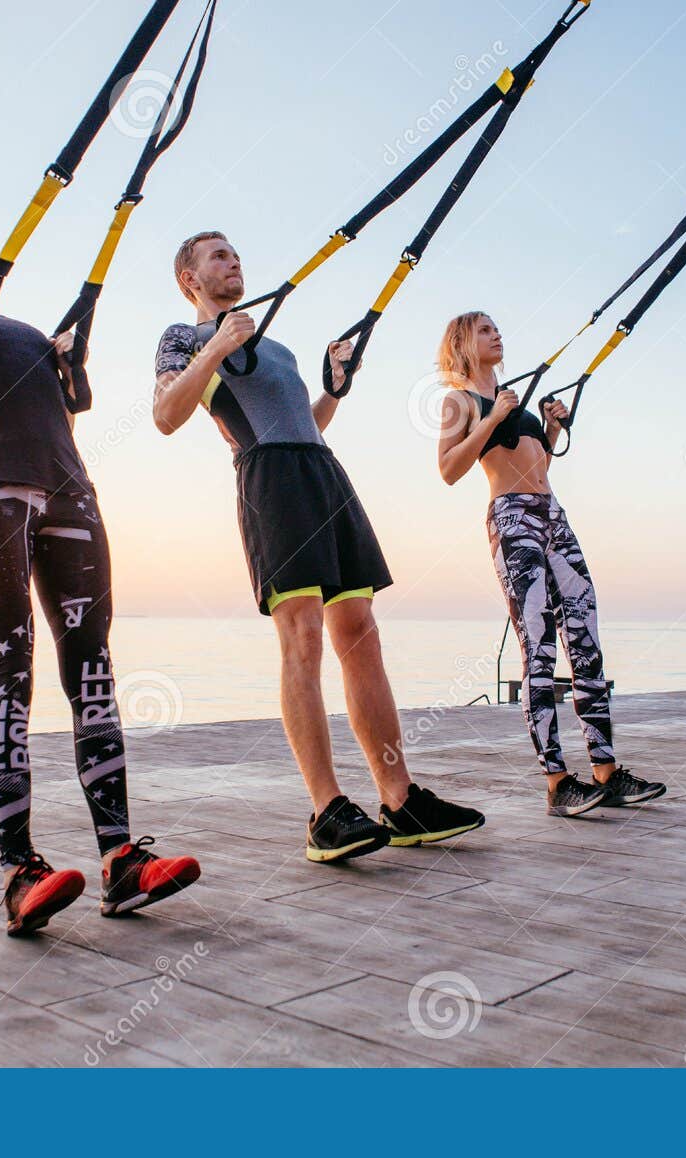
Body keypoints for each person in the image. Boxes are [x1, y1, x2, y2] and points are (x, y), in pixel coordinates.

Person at [0, 212, 200, 935]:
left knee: (93, 670)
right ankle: (19, 872)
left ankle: (121, 860)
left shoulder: (27, 333)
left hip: (69, 493)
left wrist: (65, 362)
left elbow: (59, 421)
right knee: (8, 673)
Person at [154, 230, 485, 862]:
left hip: (323, 472)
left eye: (236, 252)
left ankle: (399, 799)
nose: (234, 260)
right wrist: (217, 345)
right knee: (302, 634)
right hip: (269, 481)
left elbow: (303, 422)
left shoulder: (275, 346)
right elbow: (166, 414)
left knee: (361, 632)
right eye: (219, 255)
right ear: (189, 279)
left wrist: (333, 388)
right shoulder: (182, 337)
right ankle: (326, 810)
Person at [435, 311, 665, 817]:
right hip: (512, 518)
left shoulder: (513, 399)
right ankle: (558, 783)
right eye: (485, 330)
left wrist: (552, 431)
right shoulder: (460, 401)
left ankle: (606, 772)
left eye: (497, 327)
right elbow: (448, 469)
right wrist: (492, 418)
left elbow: (537, 463)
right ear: (463, 343)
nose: (497, 334)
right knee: (538, 648)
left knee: (585, 642)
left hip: (554, 516)